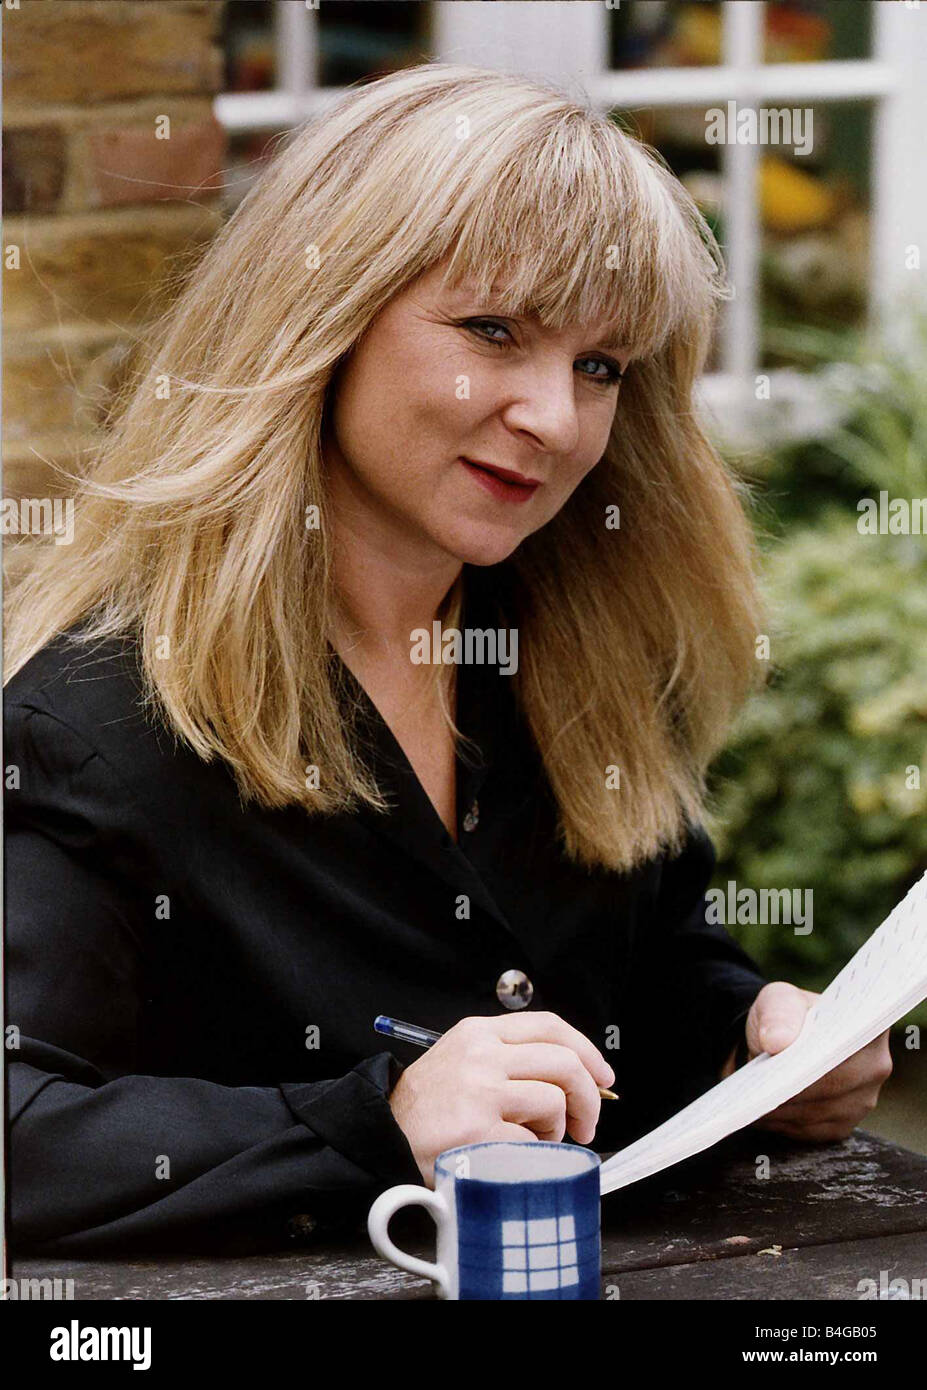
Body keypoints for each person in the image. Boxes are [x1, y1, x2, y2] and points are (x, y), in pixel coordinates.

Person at [4, 63, 892, 1256]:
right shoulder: (99, 720)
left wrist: (753, 1041)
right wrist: (381, 1118)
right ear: (322, 320)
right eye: (493, 330)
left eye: (601, 366)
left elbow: (648, 966)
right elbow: (25, 1128)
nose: (556, 418)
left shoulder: (580, 658)